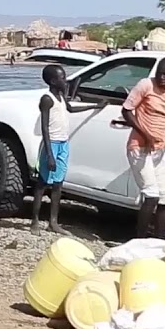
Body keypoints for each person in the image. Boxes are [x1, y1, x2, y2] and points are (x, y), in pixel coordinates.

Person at [30, 65, 103, 235]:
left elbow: (70, 109)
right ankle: (35, 221)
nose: (65, 80)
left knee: (58, 184)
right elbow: (45, 128)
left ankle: (53, 222)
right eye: (62, 78)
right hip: (52, 145)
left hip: (63, 143)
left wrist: (94, 107)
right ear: (53, 81)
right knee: (42, 184)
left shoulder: (61, 97)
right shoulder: (47, 99)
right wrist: (49, 155)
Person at [123, 57, 165, 239]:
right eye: (160, 74)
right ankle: (139, 240)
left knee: (164, 200)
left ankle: (158, 242)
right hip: (139, 148)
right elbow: (126, 110)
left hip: (160, 149)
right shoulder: (145, 85)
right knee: (151, 195)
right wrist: (144, 134)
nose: (162, 78)